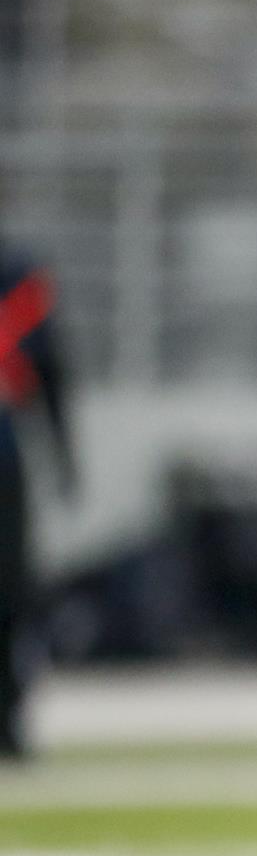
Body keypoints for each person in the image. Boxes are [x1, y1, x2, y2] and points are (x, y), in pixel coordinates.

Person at [0, 240, 72, 761]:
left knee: (12, 594)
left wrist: (64, 451)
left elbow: (50, 369)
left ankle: (8, 712)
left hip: (4, 451)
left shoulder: (20, 272)